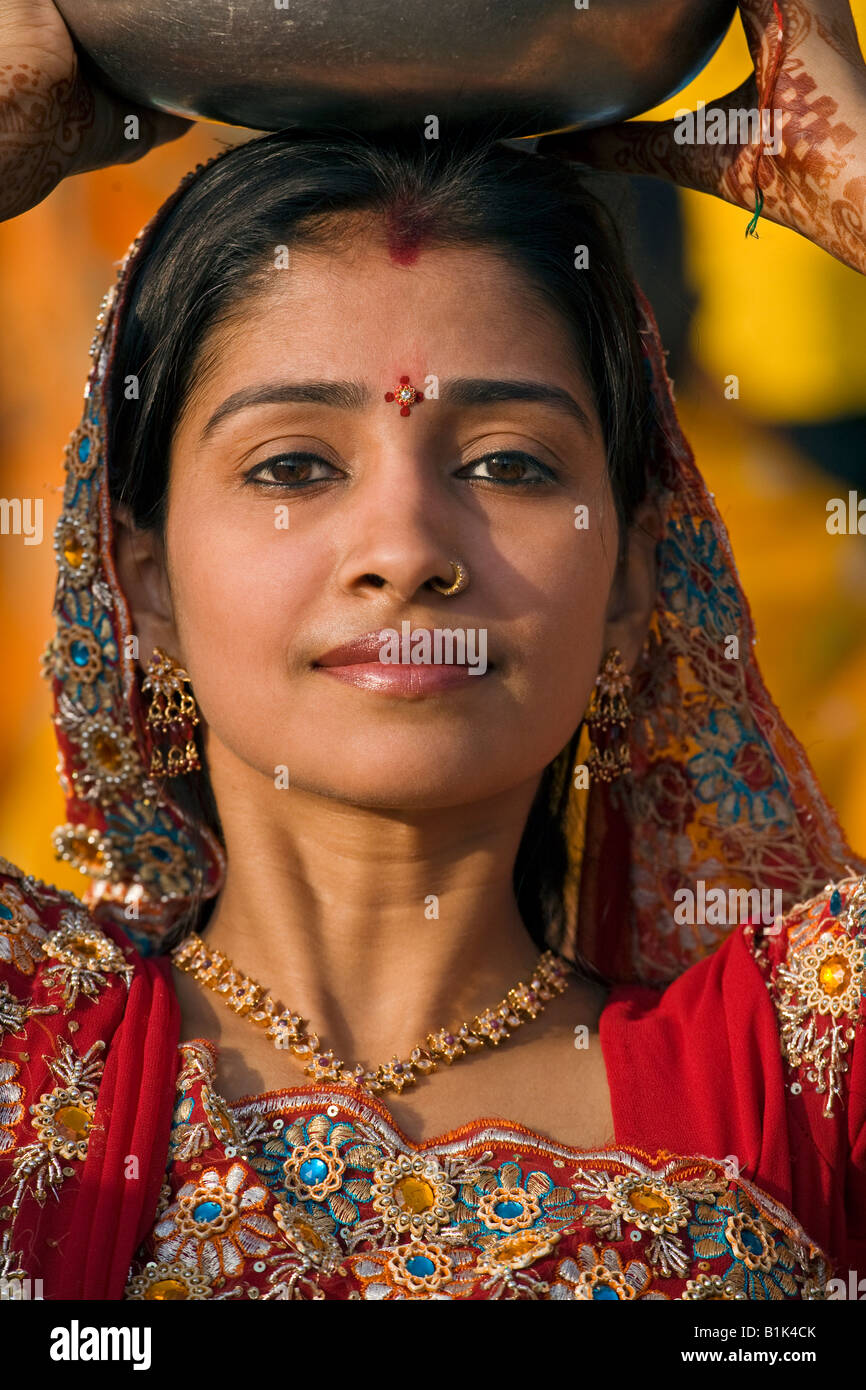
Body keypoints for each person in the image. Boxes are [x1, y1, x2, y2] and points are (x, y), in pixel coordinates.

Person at [0, 0, 864, 1303]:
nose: (404, 546)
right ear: (142, 576)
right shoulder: (32, 1065)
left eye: (507, 463)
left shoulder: (803, 1081)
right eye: (293, 462)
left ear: (637, 573)